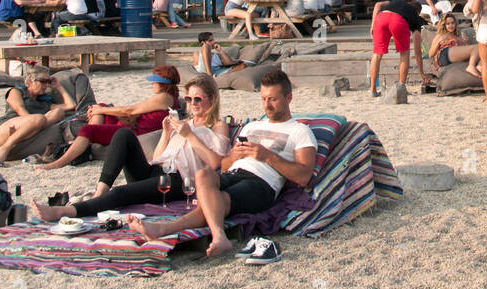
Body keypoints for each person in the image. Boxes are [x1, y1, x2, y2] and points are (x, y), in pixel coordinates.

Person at [127, 70, 318, 259]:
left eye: (273, 99)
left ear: (289, 98)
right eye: (263, 99)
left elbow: (303, 176)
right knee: (203, 175)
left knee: (218, 200)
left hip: (261, 183)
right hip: (234, 173)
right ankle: (199, 233)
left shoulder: (300, 131)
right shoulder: (252, 127)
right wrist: (233, 155)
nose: (267, 105)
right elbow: (224, 166)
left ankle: (180, 231)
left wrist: (267, 156)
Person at [36, 74, 231, 221]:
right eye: (189, 99)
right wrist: (166, 133)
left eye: (198, 99)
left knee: (121, 194)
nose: (193, 104)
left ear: (211, 100)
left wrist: (189, 135)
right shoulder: (184, 122)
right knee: (124, 134)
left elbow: (217, 162)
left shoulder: (216, 125)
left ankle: (65, 211)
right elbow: (158, 156)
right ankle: (101, 190)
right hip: (157, 171)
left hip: (180, 180)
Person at [37, 66, 182, 170]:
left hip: (132, 132)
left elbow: (130, 110)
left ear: (164, 83)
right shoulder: (167, 97)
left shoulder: (165, 97)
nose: (152, 83)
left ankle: (61, 161)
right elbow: (135, 112)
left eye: (155, 81)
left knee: (89, 129)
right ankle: (84, 146)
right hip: (132, 124)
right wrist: (102, 109)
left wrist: (104, 109)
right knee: (99, 108)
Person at [0, 66, 78, 161]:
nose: (46, 85)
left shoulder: (44, 102)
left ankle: (28, 132)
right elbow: (20, 109)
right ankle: (5, 148)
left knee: (58, 112)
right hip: (7, 126)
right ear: (30, 82)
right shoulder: (16, 92)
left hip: (29, 130)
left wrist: (59, 87)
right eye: (43, 81)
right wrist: (35, 123)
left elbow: (71, 105)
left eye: (48, 81)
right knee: (39, 118)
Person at [368, 0, 431, 94]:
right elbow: (417, 49)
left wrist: (372, 25)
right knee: (404, 54)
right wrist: (421, 72)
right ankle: (401, 88)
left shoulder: (397, 1)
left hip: (381, 18)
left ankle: (372, 89)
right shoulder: (415, 16)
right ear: (419, 12)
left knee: (376, 54)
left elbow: (378, 5)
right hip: (398, 21)